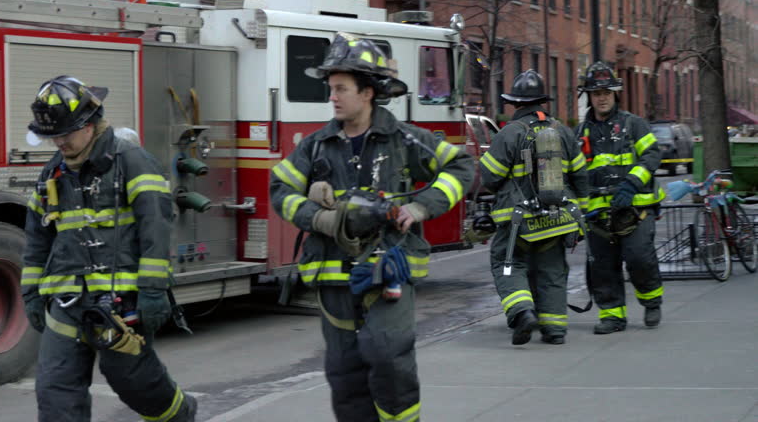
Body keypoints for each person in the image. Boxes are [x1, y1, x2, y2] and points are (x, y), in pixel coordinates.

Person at [270, 33, 474, 421]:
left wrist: (419, 207)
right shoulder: (316, 146)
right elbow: (280, 188)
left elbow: (461, 166)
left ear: (368, 93)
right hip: (333, 274)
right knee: (344, 374)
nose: (332, 97)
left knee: (387, 355)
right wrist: (318, 217)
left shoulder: (405, 139)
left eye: (341, 88)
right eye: (331, 88)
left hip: (388, 271)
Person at [21, 75, 197, 422]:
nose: (59, 141)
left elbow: (155, 228)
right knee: (55, 390)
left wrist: (152, 290)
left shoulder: (131, 161)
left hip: (122, 302)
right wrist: (30, 292)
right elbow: (37, 238)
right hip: (67, 301)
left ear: (89, 124)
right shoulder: (51, 174)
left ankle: (180, 415)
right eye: (52, 135)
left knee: (132, 381)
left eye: (65, 133)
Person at [478, 69, 589, 345]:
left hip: (518, 220)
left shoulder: (511, 133)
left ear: (516, 103)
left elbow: (490, 177)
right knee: (552, 271)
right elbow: (580, 175)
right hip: (557, 217)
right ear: (542, 101)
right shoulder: (562, 131)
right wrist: (581, 214)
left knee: (508, 263)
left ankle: (522, 312)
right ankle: (554, 331)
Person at [575, 61, 666, 334]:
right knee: (602, 267)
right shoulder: (579, 134)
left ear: (615, 93)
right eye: (596, 93)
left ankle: (651, 301)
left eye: (606, 92)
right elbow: (572, 172)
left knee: (639, 258)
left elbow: (652, 156)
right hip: (597, 215)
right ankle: (612, 316)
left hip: (635, 209)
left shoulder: (633, 125)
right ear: (589, 96)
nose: (601, 97)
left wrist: (631, 184)